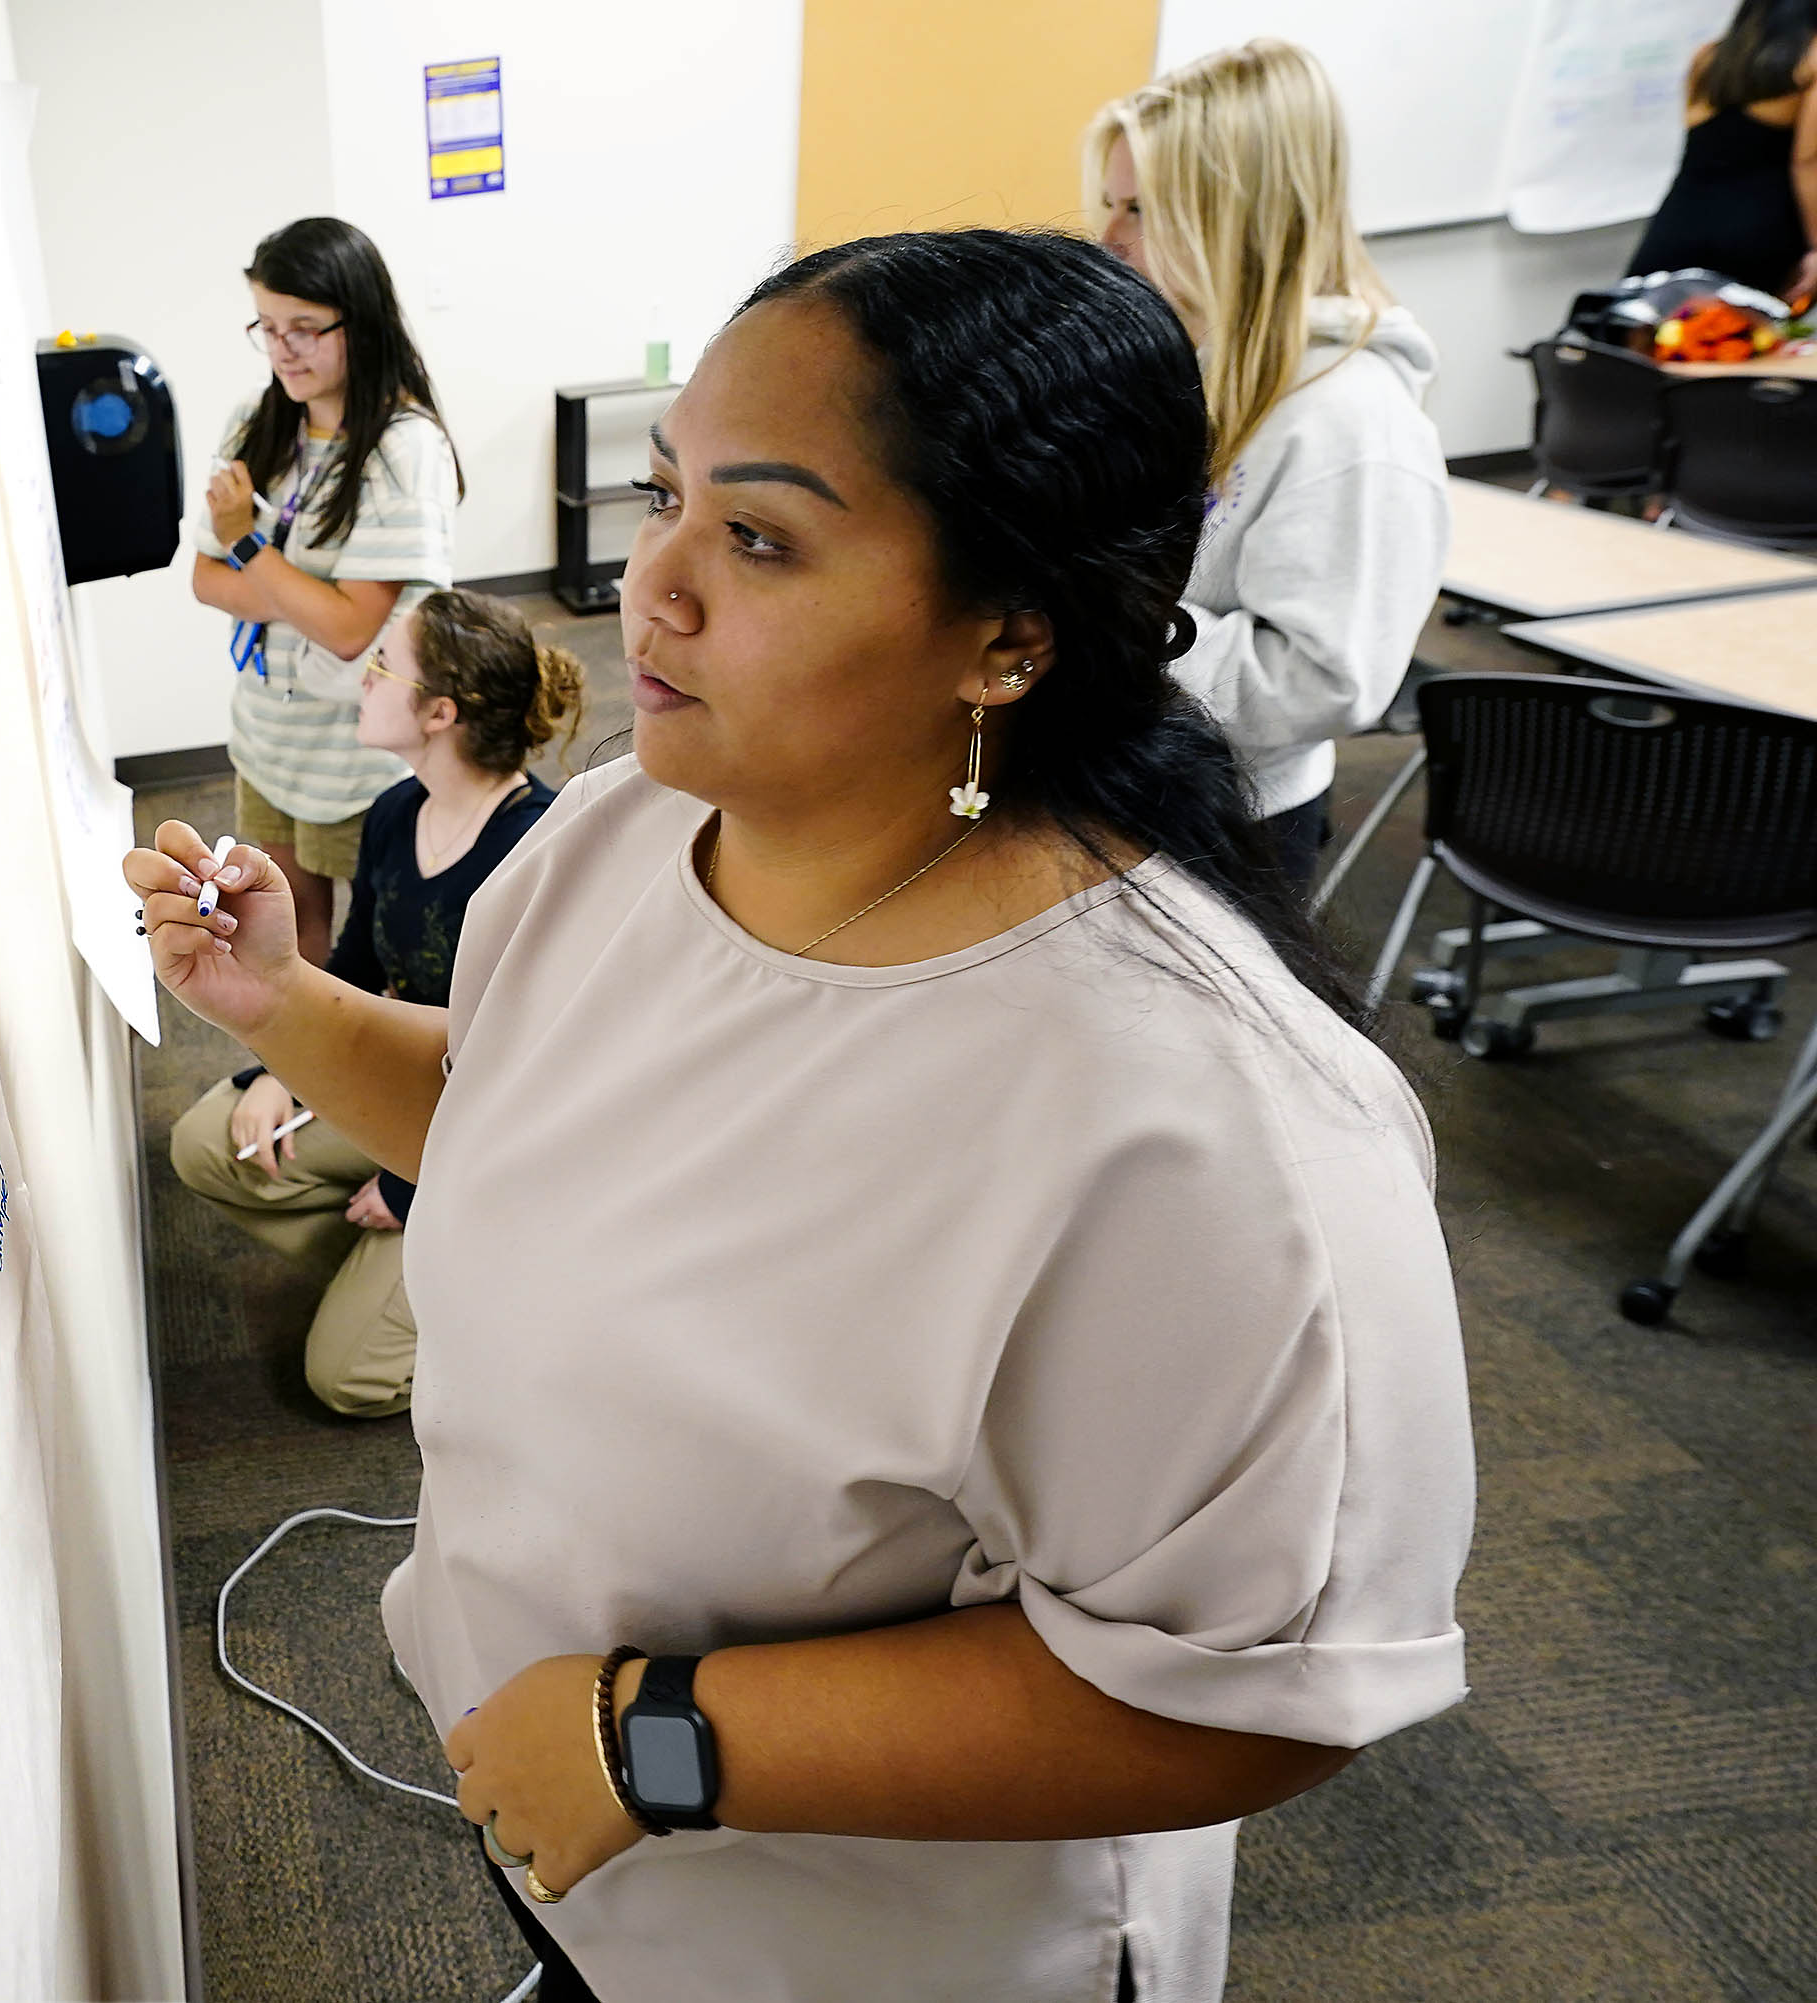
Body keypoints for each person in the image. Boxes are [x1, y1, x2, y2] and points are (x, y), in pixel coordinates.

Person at [125, 228, 1471, 2003]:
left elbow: (1244, 1694)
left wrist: (652, 1741)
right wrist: (286, 1008)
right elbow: (517, 1111)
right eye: (667, 492)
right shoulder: (627, 829)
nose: (650, 583)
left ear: (1007, 634)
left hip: (858, 1934)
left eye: (758, 536)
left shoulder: (1210, 1134)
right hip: (587, 1838)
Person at [167, 591, 582, 1417]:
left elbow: (529, 1074)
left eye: (384, 663)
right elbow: (355, 966)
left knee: (345, 1378)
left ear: (440, 712)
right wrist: (283, 1067)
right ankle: (415, 1280)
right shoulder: (397, 811)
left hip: (491, 1138)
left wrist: (405, 1190)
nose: (364, 675)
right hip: (407, 1086)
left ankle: (502, 1306)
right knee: (208, 1146)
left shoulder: (538, 848)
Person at [1086, 39, 1448, 893]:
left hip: (1230, 817)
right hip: (1132, 780)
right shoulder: (1193, 363)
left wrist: (1100, 620)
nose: (1107, 240)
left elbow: (1323, 680)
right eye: (1111, 203)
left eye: (1141, 211)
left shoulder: (1349, 421)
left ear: (1233, 217)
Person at [191, 216, 461, 967]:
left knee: (380, 947)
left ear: (360, 322)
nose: (283, 350)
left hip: (361, 747)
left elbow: (347, 628)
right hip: (268, 733)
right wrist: (293, 591)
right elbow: (205, 580)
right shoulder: (256, 422)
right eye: (267, 326)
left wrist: (250, 543)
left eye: (305, 328)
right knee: (285, 925)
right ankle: (298, 1075)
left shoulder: (404, 450)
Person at [1628, 0, 1817, 306]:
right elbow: (1808, 161)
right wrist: (1815, 247)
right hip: (1760, 227)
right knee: (1745, 342)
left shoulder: (1707, 57)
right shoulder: (1810, 60)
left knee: (1647, 337)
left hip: (1677, 222)